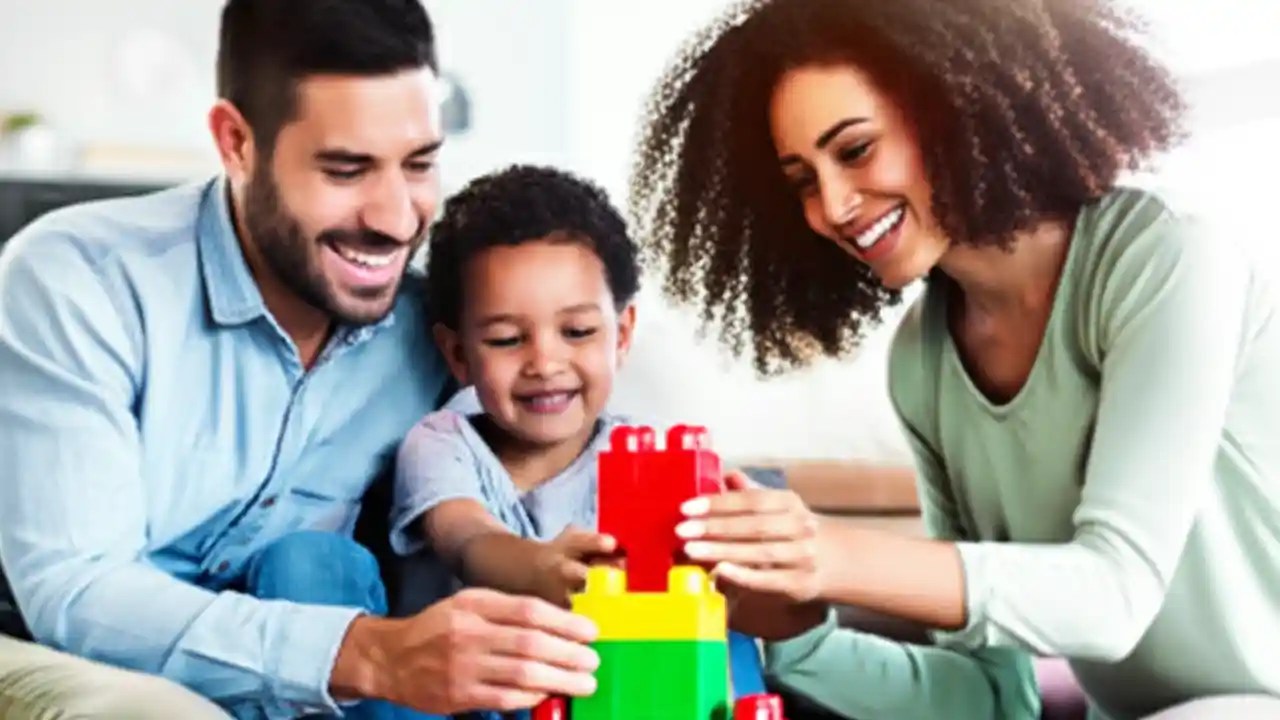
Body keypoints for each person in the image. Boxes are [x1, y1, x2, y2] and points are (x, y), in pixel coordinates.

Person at [626, 0, 1280, 719]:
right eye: (802, 181)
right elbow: (986, 695)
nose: (834, 206)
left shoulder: (1169, 260)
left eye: (854, 150)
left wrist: (828, 552)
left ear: (952, 107)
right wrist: (795, 634)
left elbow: (1113, 597)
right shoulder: (924, 360)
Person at [0, 2, 599, 718]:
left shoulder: (433, 321)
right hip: (52, 651)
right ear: (235, 143)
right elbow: (78, 592)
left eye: (419, 164)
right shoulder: (79, 278)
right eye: (346, 169)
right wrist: (373, 653)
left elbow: (551, 431)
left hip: (301, 677)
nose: (395, 218)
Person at [389, 164, 768, 711]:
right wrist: (540, 568)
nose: (545, 362)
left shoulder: (647, 461)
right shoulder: (442, 443)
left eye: (578, 332)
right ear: (457, 354)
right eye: (505, 339)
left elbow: (751, 604)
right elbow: (468, 540)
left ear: (623, 335)